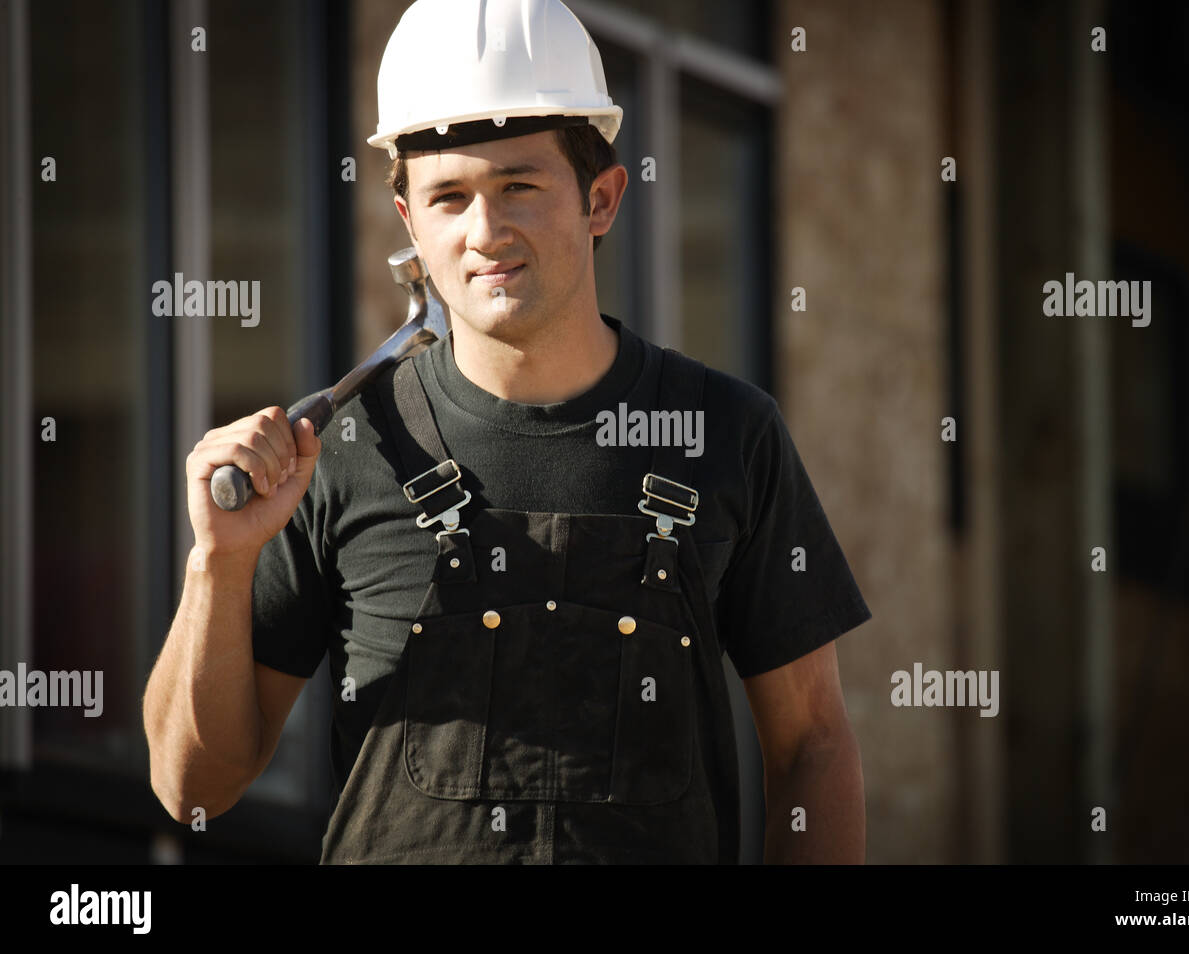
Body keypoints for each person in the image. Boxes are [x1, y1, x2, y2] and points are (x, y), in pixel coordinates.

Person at [144, 0, 872, 864]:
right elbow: (193, 786)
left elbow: (813, 748)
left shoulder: (725, 433)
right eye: (449, 196)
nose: (485, 232)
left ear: (600, 198)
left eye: (518, 186)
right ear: (410, 223)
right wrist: (219, 564)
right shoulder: (341, 452)